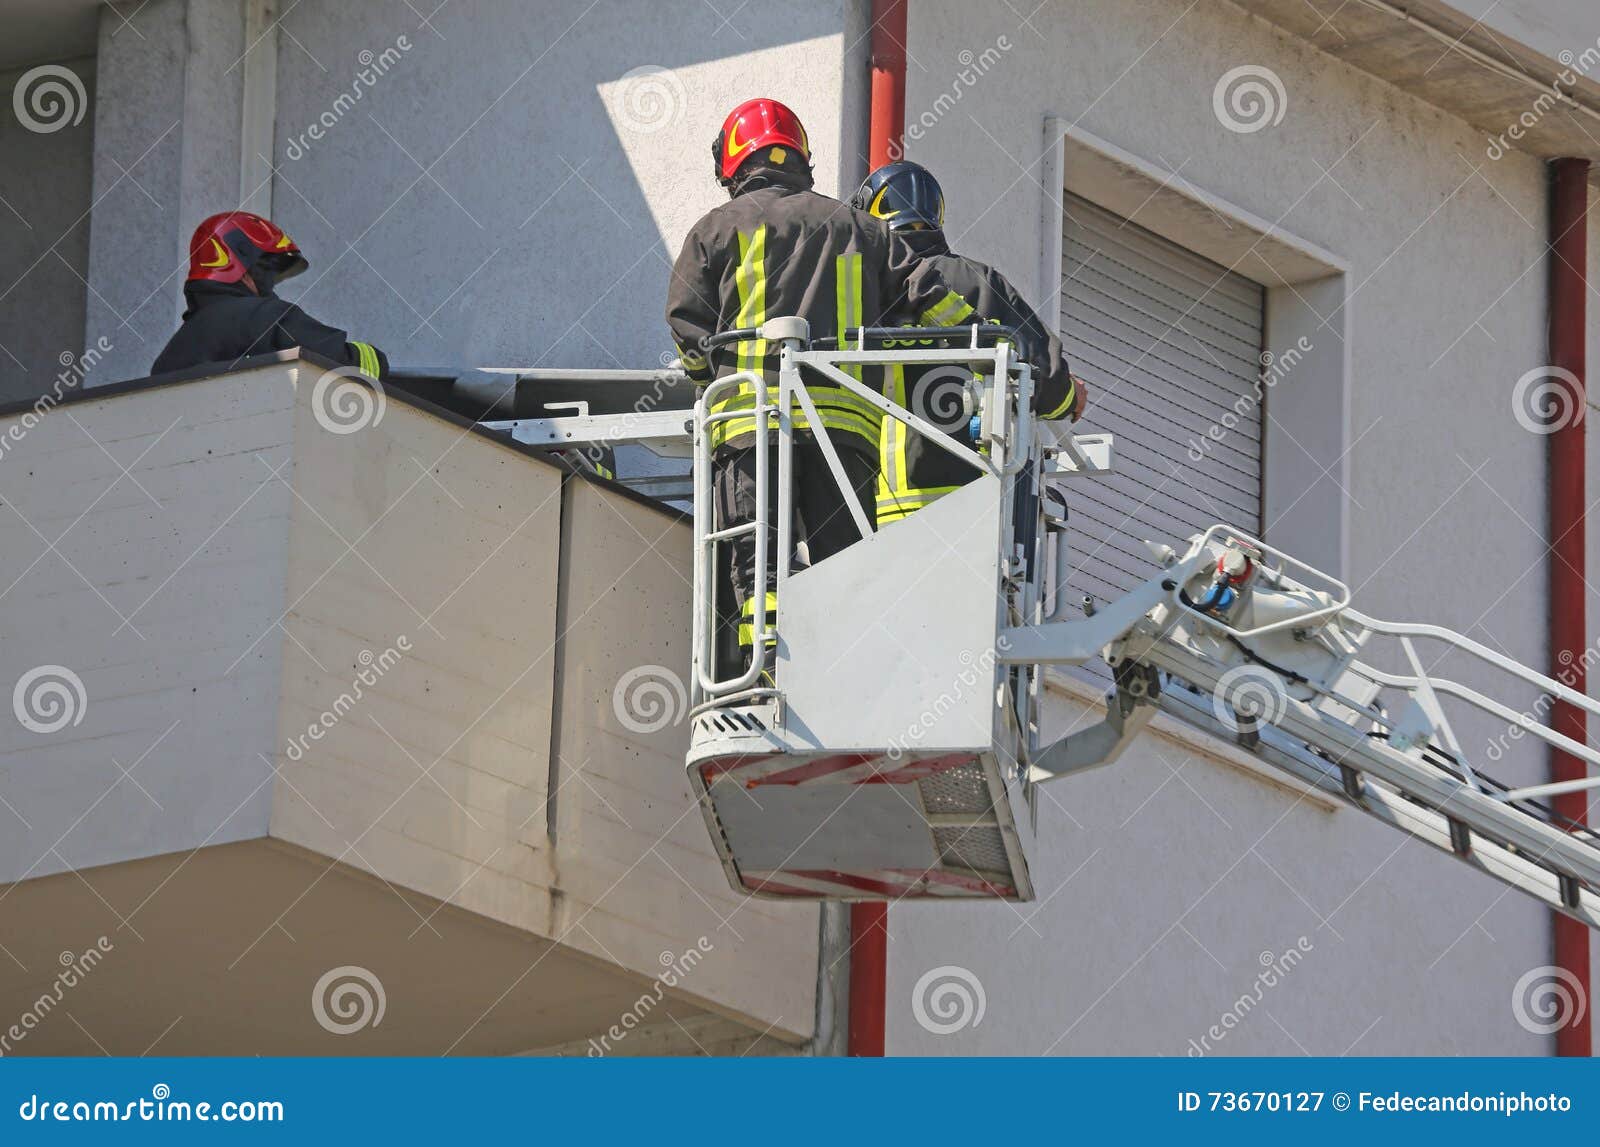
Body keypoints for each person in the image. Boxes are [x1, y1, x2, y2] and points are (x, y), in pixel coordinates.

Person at [665, 98, 982, 674]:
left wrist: (703, 381)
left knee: (757, 556)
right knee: (844, 566)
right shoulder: (862, 229)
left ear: (735, 161)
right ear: (801, 156)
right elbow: (933, 302)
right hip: (845, 434)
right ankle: (838, 671)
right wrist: (988, 348)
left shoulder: (713, 231)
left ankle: (762, 665)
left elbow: (689, 327)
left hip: (750, 428)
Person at [850, 161, 1087, 524]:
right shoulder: (980, 282)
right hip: (972, 514)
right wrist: (1070, 394)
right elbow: (1050, 388)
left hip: (869, 513)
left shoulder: (860, 292)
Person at [152, 212, 389, 380]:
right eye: (267, 272)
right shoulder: (262, 317)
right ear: (243, 268)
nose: (271, 288)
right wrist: (375, 359)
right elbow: (343, 362)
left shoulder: (171, 355)